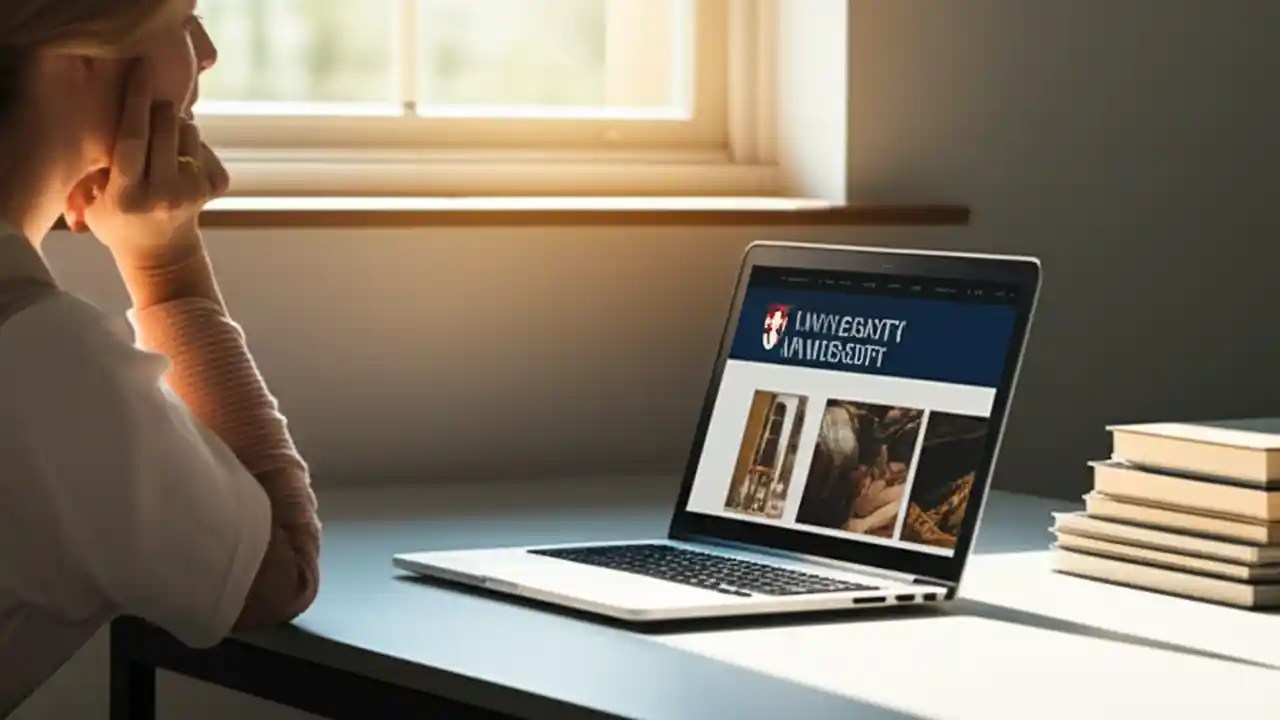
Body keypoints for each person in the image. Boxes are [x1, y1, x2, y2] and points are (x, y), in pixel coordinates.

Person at [0, 0, 320, 714]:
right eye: (183, 16)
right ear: (77, 48)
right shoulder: (41, 359)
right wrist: (167, 263)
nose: (206, 52)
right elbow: (277, 578)